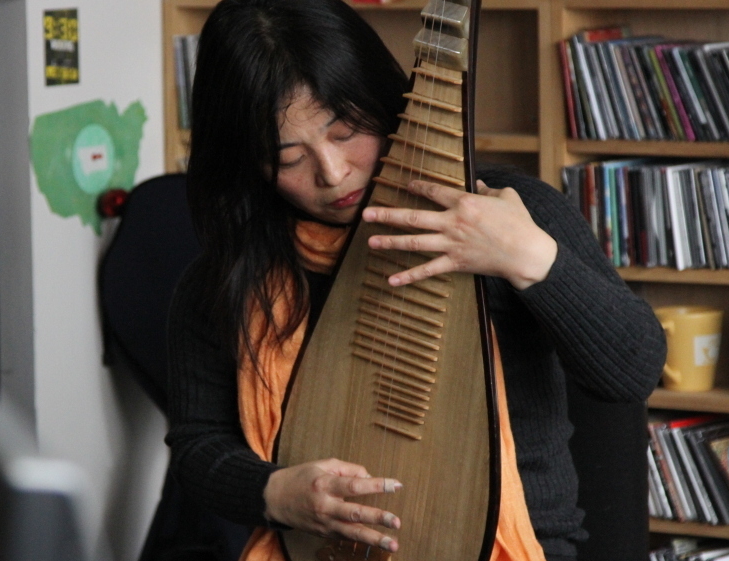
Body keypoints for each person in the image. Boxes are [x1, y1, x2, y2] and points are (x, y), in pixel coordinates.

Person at [164, 0, 667, 560]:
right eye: (288, 158)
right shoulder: (230, 281)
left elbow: (633, 371)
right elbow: (197, 445)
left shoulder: (509, 215)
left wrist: (528, 258)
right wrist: (275, 492)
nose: (332, 173)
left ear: (384, 102)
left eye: (346, 129)